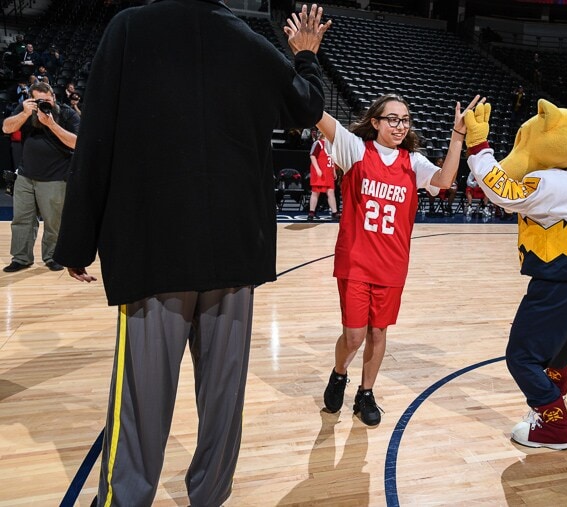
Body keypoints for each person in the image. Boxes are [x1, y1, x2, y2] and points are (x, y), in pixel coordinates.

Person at [52, 3, 331, 506]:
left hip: (153, 250)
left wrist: (77, 240)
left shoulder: (130, 27)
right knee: (224, 401)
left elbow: (95, 140)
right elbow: (307, 105)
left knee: (140, 404)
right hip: (234, 256)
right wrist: (306, 55)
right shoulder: (248, 41)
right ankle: (209, 498)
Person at [318, 93, 484, 426]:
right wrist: (303, 66)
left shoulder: (414, 162)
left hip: (392, 265)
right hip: (355, 260)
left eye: (404, 119)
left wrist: (458, 136)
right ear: (375, 122)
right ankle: (339, 374)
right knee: (354, 336)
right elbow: (316, 114)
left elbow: (445, 180)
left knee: (378, 333)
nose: (399, 125)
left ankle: (366, 393)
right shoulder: (355, 149)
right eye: (392, 119)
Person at [464, 99, 567, 450]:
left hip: (555, 282)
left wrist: (479, 147)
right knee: (558, 353)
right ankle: (555, 394)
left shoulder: (549, 182)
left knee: (522, 357)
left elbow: (502, 192)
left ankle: (553, 422)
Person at [2, 82, 79, 273]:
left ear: (53, 97)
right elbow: (6, 128)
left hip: (55, 178)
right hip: (26, 177)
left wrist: (51, 124)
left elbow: (77, 143)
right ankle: (21, 258)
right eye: (38, 101)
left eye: (46, 100)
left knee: (54, 222)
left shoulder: (67, 113)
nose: (43, 104)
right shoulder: (27, 110)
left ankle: (53, 256)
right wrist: (25, 113)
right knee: (21, 220)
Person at [307, 131, 339, 221]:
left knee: (331, 193)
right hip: (320, 172)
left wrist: (333, 171)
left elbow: (332, 159)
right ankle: (311, 212)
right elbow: (312, 156)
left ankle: (334, 213)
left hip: (328, 172)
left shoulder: (330, 145)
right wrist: (317, 169)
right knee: (315, 192)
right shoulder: (318, 143)